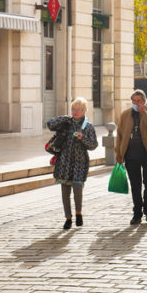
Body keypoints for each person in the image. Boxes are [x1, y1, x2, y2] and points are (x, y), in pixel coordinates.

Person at [46, 97, 98, 230]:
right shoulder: (66, 123)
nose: (75, 112)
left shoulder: (88, 126)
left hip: (80, 162)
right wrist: (65, 118)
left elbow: (93, 145)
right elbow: (50, 124)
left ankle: (78, 212)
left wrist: (83, 138)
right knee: (65, 191)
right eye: (74, 109)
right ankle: (68, 218)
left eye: (79, 110)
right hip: (64, 161)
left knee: (77, 187)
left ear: (84, 111)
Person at [116, 89, 147, 225]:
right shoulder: (125, 115)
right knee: (135, 185)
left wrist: (144, 113)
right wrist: (118, 153)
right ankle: (137, 213)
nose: (136, 103)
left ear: (144, 101)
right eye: (134, 101)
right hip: (131, 154)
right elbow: (119, 135)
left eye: (139, 101)